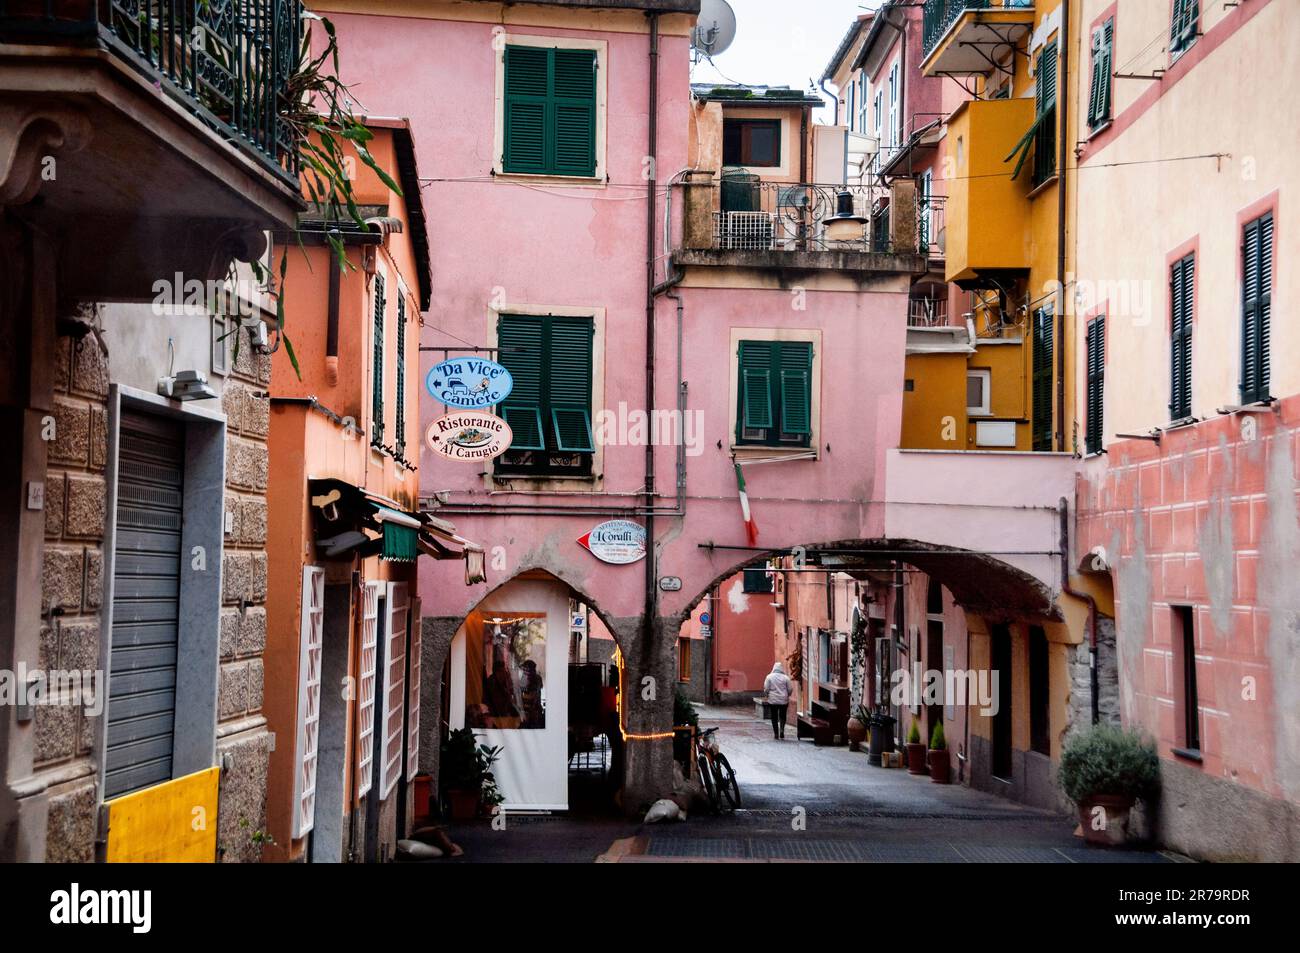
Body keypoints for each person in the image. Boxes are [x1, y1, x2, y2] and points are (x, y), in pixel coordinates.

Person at [763, 661, 793, 740]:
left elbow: (766, 688)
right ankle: (782, 730)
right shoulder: (786, 678)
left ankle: (776, 733)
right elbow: (790, 689)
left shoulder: (769, 677)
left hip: (773, 700)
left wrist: (766, 695)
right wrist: (788, 695)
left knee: (774, 716)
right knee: (783, 715)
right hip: (784, 700)